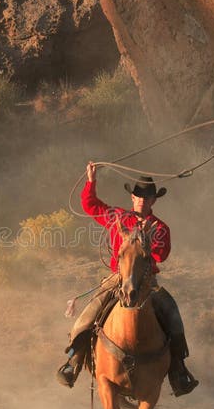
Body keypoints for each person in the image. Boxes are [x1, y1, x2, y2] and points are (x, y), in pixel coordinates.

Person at [57, 162, 199, 396]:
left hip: (147, 283)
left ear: (154, 201)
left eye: (148, 196)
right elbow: (90, 206)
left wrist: (146, 241)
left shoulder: (160, 228)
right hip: (117, 278)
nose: (143, 199)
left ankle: (178, 370)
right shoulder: (117, 217)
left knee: (172, 314)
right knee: (90, 313)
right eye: (139, 195)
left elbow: (161, 255)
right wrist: (91, 181)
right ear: (133, 197)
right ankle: (73, 361)